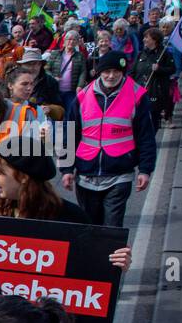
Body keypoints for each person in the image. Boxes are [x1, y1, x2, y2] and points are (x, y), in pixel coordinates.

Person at [0, 139, 132, 323]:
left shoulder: (70, 219)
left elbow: (92, 276)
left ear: (22, 178)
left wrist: (115, 265)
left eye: (0, 172)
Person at [61, 50, 157, 228]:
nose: (111, 76)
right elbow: (70, 133)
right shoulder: (82, 97)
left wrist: (145, 169)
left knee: (111, 228)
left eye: (116, 72)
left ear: (123, 73)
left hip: (119, 174)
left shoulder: (137, 96)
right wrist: (66, 169)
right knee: (90, 226)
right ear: (99, 72)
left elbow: (145, 136)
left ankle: (109, 256)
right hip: (86, 174)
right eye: (107, 72)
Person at [133, 27, 175, 130]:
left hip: (156, 92)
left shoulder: (164, 54)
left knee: (153, 120)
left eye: (146, 37)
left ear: (154, 39)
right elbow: (133, 72)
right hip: (140, 91)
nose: (143, 40)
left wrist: (159, 69)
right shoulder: (140, 54)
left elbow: (172, 69)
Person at [55, 29, 91, 114]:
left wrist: (80, 85)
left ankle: (70, 128)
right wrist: (53, 78)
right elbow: (47, 69)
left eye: (74, 39)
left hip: (71, 91)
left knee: (70, 115)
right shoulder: (56, 54)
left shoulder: (80, 56)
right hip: (56, 90)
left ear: (77, 42)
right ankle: (60, 128)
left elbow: (83, 72)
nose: (71, 42)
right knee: (58, 115)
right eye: (69, 39)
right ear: (65, 40)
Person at [17, 47, 62, 113]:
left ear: (40, 65)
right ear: (22, 66)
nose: (31, 67)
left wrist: (50, 109)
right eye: (28, 64)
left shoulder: (50, 82)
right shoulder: (14, 81)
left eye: (35, 64)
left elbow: (61, 111)